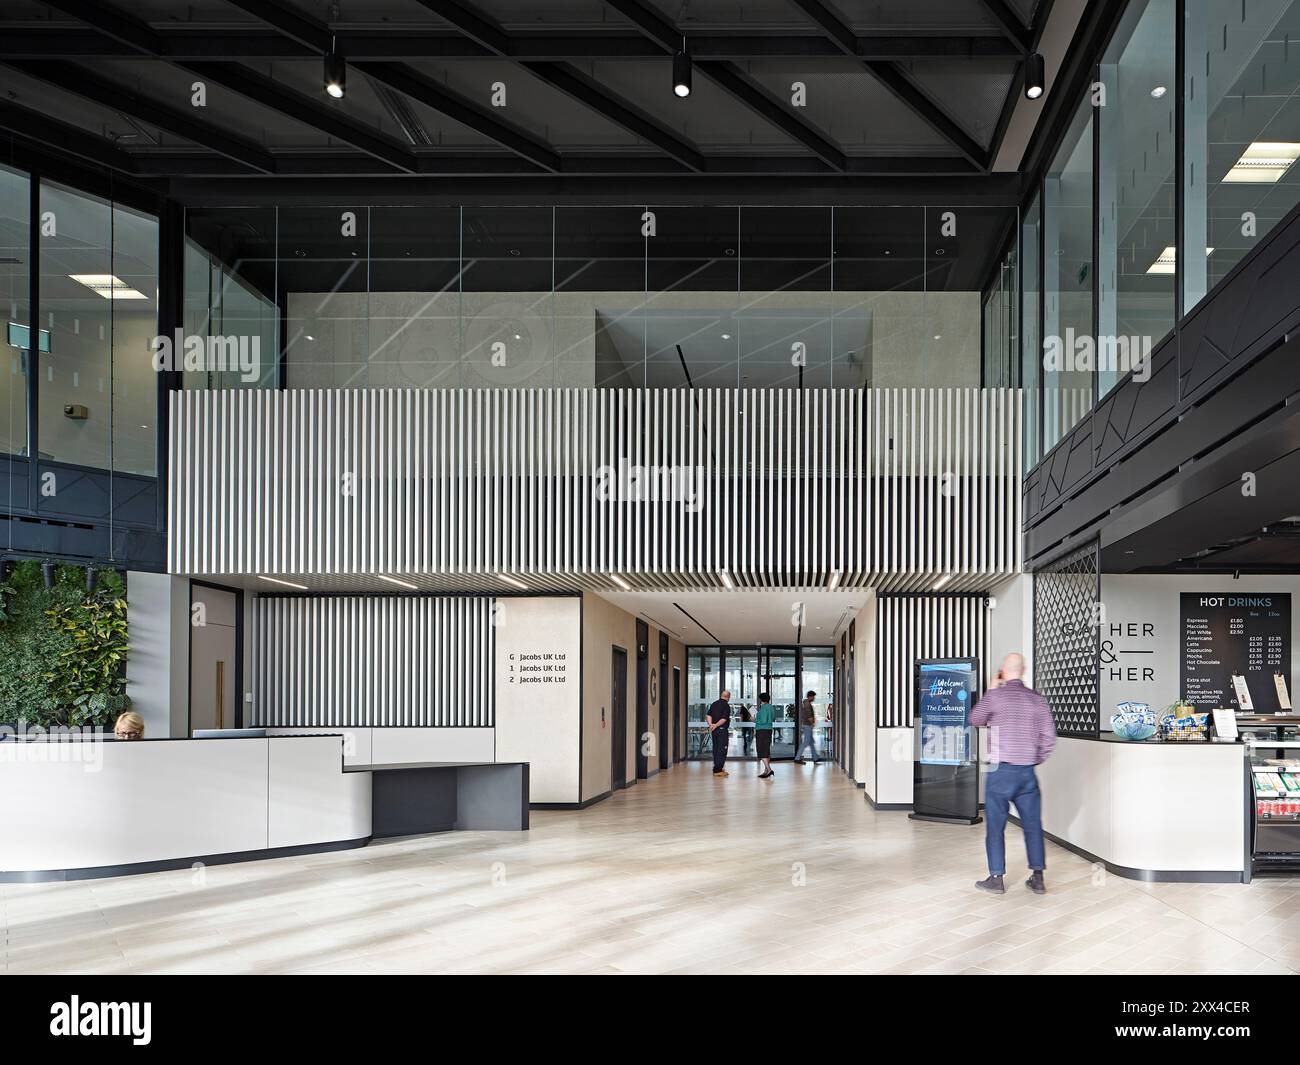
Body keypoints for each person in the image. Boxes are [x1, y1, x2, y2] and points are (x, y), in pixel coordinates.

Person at [968, 653, 1055, 896]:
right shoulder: (1037, 700)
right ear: (1023, 670)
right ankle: (1038, 878)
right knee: (1032, 825)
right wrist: (1034, 759)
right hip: (1026, 773)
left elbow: (974, 719)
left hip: (1000, 772)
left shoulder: (995, 697)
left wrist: (991, 689)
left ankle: (996, 878)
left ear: (1003, 671)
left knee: (996, 827)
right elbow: (1049, 737)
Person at [705, 690, 732, 777]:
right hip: (722, 730)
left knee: (716, 749)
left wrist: (711, 725)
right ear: (728, 697)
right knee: (722, 749)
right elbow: (724, 719)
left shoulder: (714, 704)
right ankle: (718, 770)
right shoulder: (726, 706)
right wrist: (716, 725)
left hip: (714, 731)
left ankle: (716, 768)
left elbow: (708, 715)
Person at [794, 690, 821, 764]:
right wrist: (812, 723)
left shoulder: (806, 703)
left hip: (807, 725)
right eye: (813, 697)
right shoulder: (807, 704)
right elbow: (809, 716)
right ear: (810, 696)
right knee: (806, 742)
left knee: (811, 743)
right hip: (807, 725)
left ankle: (815, 758)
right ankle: (797, 758)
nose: (814, 698)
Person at [753, 692, 776, 779]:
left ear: (761, 700)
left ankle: (769, 770)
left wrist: (754, 720)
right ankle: (766, 771)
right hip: (769, 730)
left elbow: (763, 720)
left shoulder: (764, 708)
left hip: (762, 731)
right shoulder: (771, 707)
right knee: (766, 751)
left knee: (761, 751)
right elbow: (772, 718)